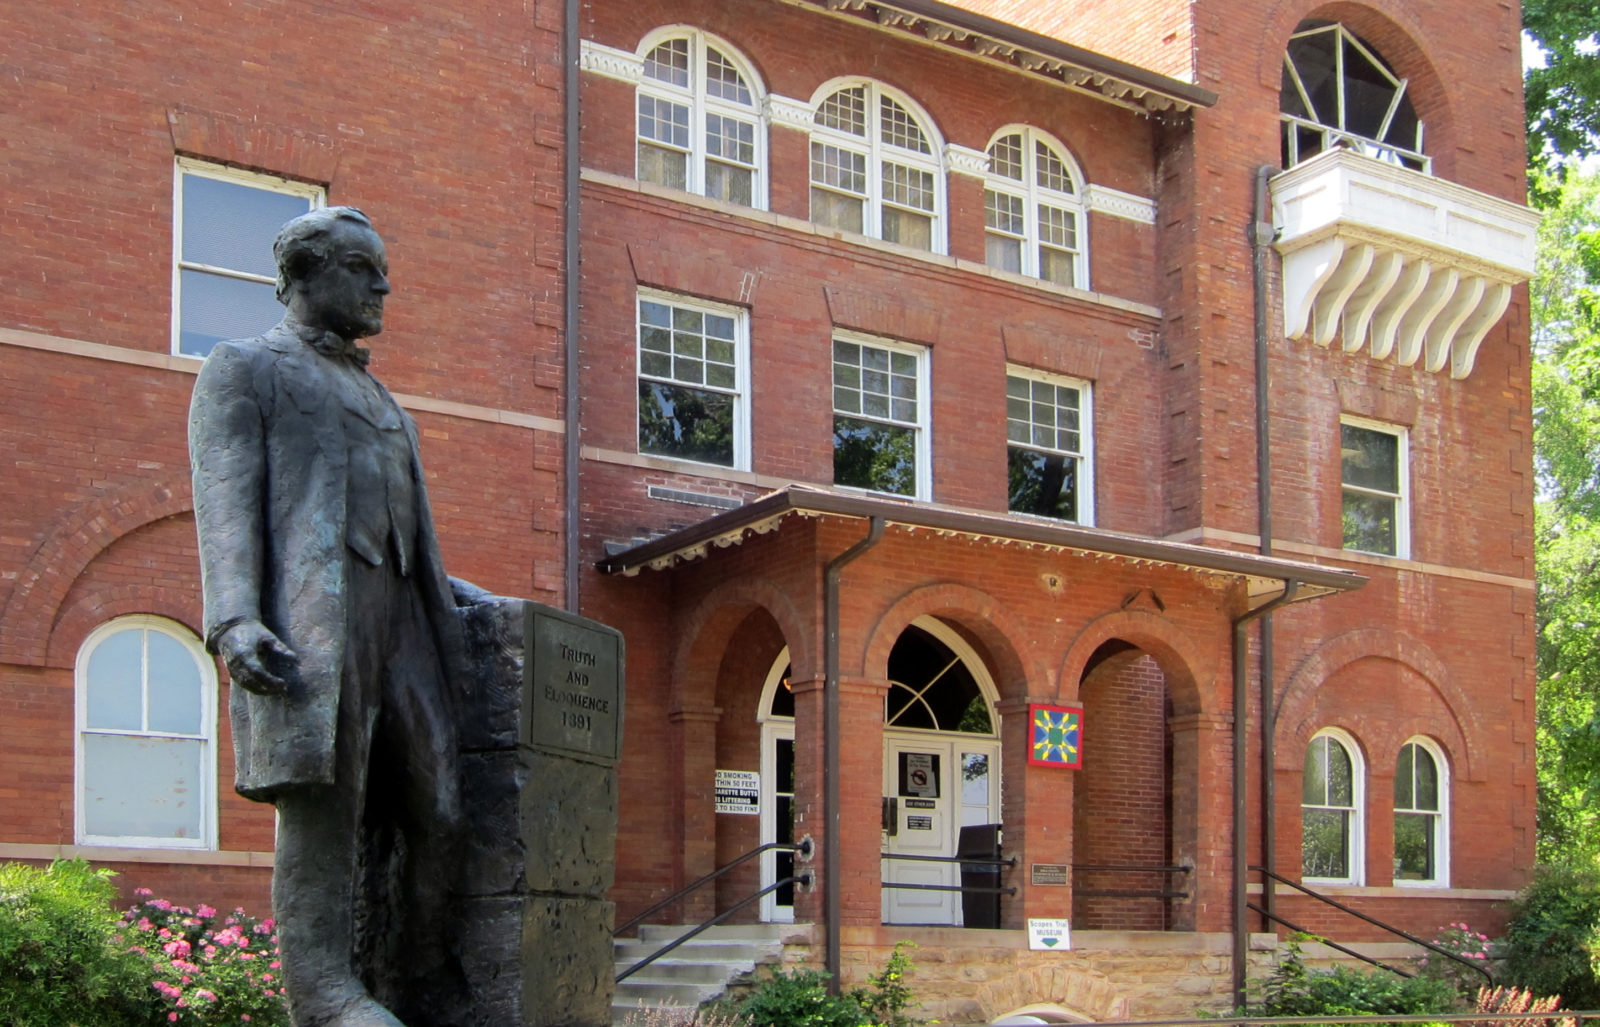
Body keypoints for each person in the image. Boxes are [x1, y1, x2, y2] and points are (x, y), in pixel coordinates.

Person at [189, 207, 468, 1027]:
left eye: (383, 269)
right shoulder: (245, 368)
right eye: (361, 267)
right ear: (303, 275)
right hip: (314, 621)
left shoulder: (384, 398)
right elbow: (225, 501)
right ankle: (321, 991)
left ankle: (413, 975)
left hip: (403, 618)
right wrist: (234, 619)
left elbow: (414, 534)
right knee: (324, 807)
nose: (383, 286)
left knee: (439, 802)